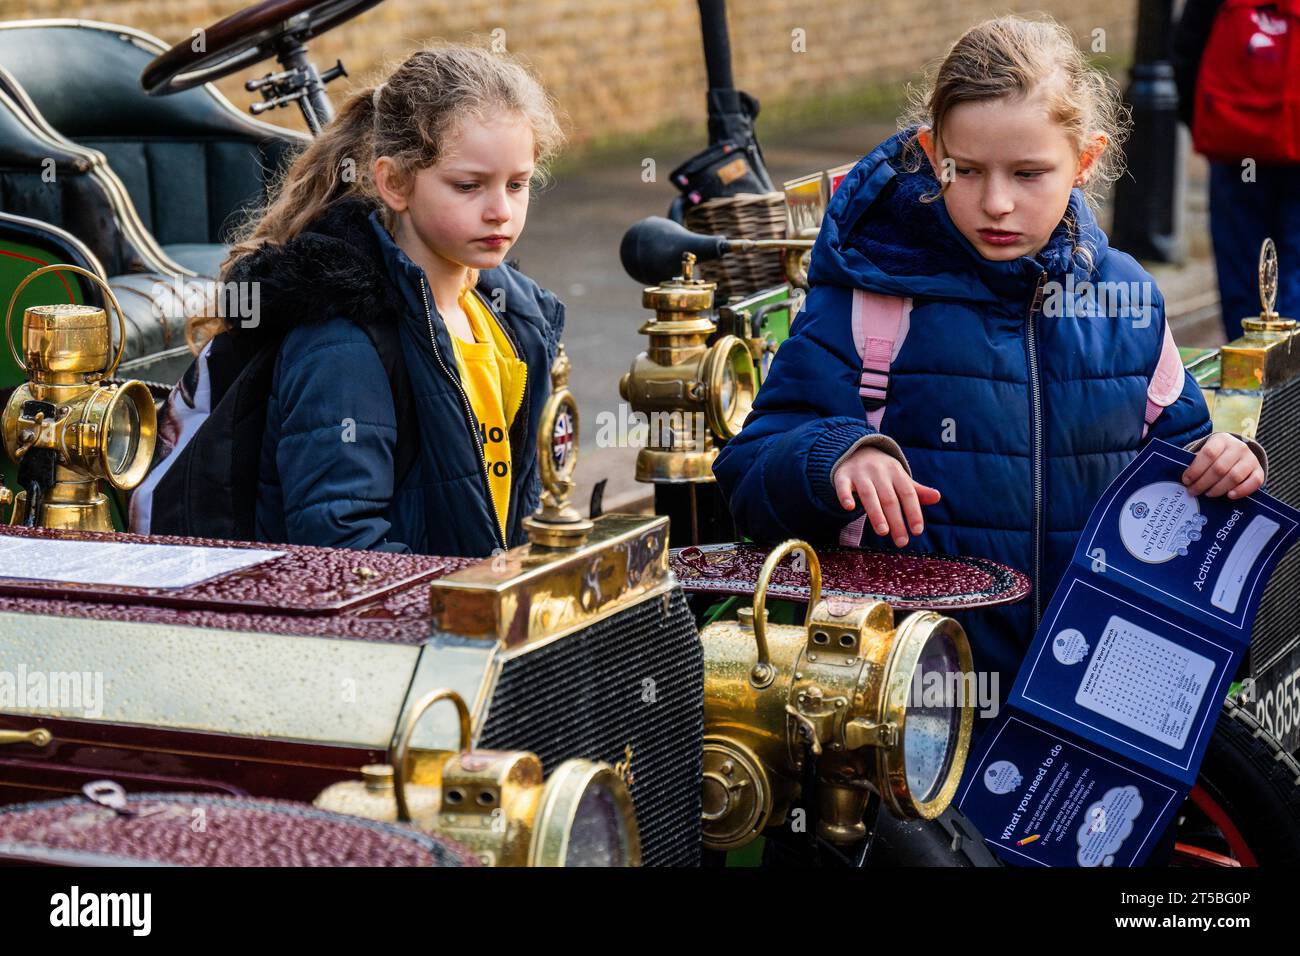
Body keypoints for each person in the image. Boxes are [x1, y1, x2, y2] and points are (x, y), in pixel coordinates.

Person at [713, 15, 1268, 728]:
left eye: (1029, 174)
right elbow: (749, 477)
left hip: (1090, 706)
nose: (996, 202)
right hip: (914, 719)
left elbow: (1179, 466)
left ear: (1087, 160)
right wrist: (832, 459)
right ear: (928, 152)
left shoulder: (1128, 302)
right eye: (965, 172)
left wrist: (1223, 462)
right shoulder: (871, 304)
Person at [130, 45, 566, 557]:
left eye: (517, 185)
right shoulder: (343, 346)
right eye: (468, 186)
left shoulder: (513, 319)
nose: (501, 211)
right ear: (395, 182)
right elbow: (342, 545)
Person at [1172, 0, 1300, 341]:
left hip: (1237, 147)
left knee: (1242, 272)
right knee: (1295, 270)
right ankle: (1291, 378)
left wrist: (1208, 123)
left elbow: (1187, 48)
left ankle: (1247, 377)